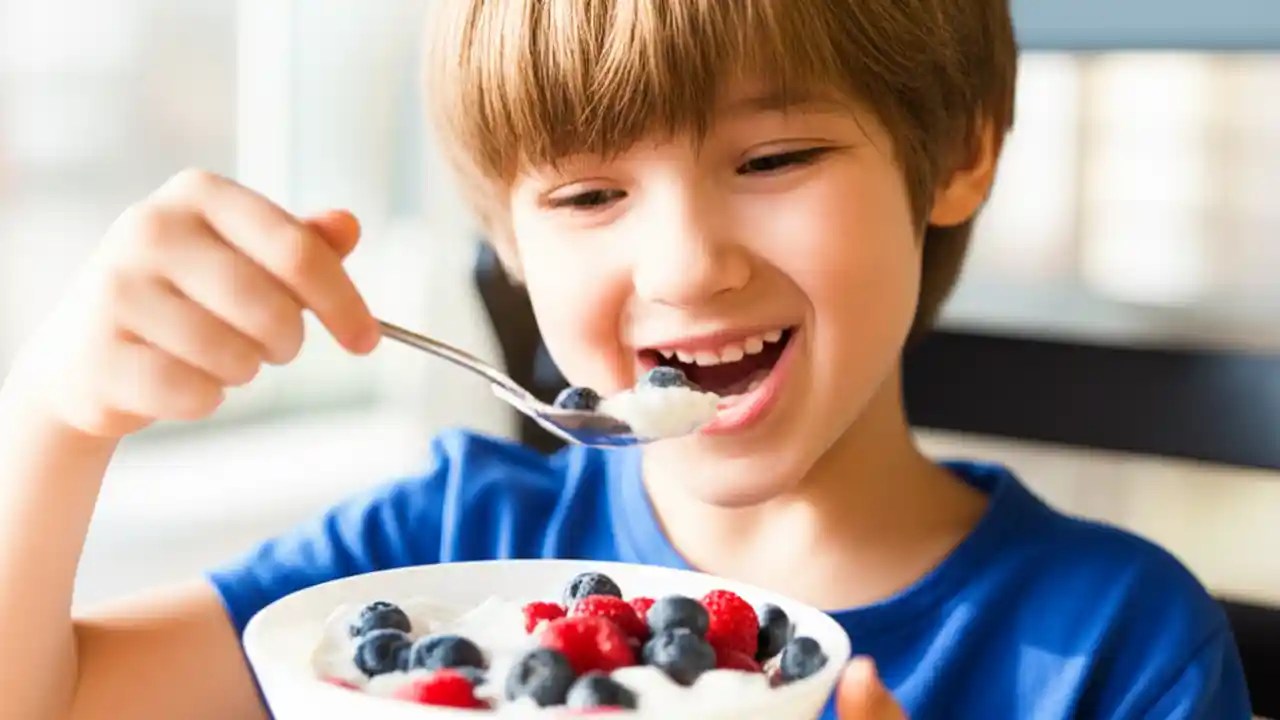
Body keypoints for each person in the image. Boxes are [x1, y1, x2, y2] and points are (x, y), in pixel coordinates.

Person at [0, 1, 1252, 718]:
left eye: (773, 161)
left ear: (959, 150)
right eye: (590, 192)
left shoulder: (1112, 649)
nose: (685, 264)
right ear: (506, 234)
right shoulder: (438, 558)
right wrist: (56, 417)